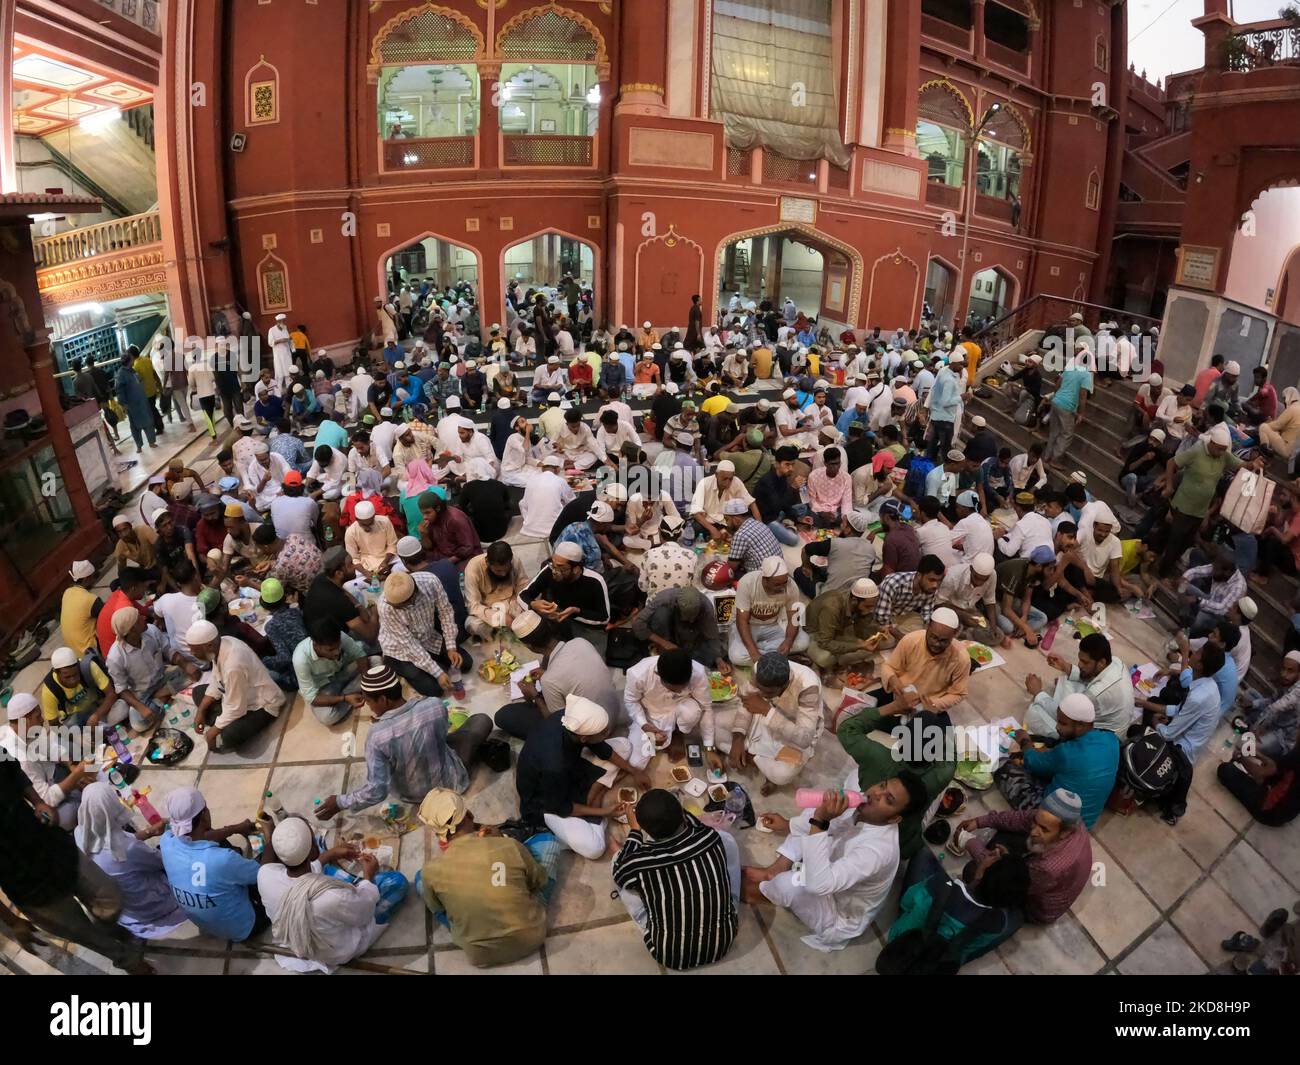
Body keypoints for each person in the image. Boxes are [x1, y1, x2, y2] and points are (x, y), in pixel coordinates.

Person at [0, 757, 150, 973]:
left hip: (52, 846)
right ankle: (129, 962)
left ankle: (109, 926)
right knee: (85, 934)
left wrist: (38, 801)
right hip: (29, 888)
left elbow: (14, 771)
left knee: (110, 897)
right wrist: (13, 922)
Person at [742, 777, 926, 951]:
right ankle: (774, 871)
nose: (876, 794)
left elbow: (818, 885)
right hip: (834, 867)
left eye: (888, 799)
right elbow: (829, 825)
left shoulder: (877, 853)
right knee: (819, 811)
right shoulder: (864, 807)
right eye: (882, 785)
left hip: (839, 911)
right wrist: (788, 825)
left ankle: (763, 892)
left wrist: (820, 821)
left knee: (790, 884)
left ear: (894, 818)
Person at [316, 665, 492, 821]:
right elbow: (441, 735)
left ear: (383, 700)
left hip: (413, 795)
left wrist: (339, 802)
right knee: (481, 720)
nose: (369, 706)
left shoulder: (376, 736)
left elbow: (377, 790)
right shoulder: (434, 705)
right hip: (450, 782)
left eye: (369, 701)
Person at [415, 789, 557, 967]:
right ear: (469, 815)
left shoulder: (431, 871)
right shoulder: (509, 845)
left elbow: (437, 907)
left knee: (420, 880)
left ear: (439, 835)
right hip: (531, 938)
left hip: (479, 955)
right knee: (548, 840)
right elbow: (539, 881)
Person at [258, 816, 407, 973]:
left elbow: (301, 872)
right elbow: (364, 913)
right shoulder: (332, 896)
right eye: (314, 842)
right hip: (337, 951)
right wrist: (368, 876)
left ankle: (343, 876)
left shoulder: (264, 876)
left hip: (296, 943)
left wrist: (330, 854)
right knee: (397, 882)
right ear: (313, 851)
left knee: (328, 869)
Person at [613, 789, 739, 970]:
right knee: (727, 840)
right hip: (723, 943)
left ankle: (647, 922)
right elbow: (697, 825)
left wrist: (634, 831)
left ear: (645, 830)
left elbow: (619, 874)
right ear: (682, 815)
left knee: (618, 865)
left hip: (670, 956)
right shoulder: (709, 837)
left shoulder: (639, 862)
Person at [514, 693, 651, 860]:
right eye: (603, 732)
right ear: (584, 737)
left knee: (623, 745)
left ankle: (595, 792)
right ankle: (596, 803)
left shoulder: (567, 718)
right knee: (595, 849)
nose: (608, 732)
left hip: (570, 770)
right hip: (544, 803)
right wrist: (604, 811)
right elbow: (561, 807)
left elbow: (602, 749)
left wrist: (634, 771)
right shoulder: (554, 764)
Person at [952, 788, 1093, 923]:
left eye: (1043, 829)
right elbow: (1021, 818)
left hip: (1035, 907)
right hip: (1037, 874)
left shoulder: (1048, 867)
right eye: (1036, 823)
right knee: (1005, 833)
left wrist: (969, 842)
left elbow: (1004, 881)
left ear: (1064, 833)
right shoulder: (1069, 821)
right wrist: (979, 821)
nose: (1034, 832)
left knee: (973, 871)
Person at [886, 843, 1028, 968]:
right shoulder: (997, 923)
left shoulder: (940, 885)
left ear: (981, 874)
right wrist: (1008, 868)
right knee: (1016, 919)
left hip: (902, 945)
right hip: (940, 961)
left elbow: (906, 902)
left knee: (923, 853)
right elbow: (968, 948)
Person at [75, 782, 187, 939]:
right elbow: (163, 862)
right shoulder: (127, 848)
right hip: (149, 905)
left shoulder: (80, 834)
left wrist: (149, 832)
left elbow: (114, 843)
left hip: (123, 907)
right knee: (181, 855)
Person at [159, 787, 268, 942]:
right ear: (204, 815)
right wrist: (270, 834)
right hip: (246, 927)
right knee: (272, 860)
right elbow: (263, 872)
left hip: (210, 927)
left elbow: (202, 836)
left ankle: (235, 874)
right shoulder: (222, 860)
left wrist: (235, 829)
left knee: (221, 846)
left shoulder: (166, 841)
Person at [998, 693, 1119, 829]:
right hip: (1086, 824)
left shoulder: (1068, 753)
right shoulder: (1111, 739)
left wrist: (1024, 741)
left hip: (1056, 826)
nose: (1057, 727)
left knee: (1003, 765)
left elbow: (1033, 763)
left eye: (1063, 723)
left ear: (1080, 725)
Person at [494, 609, 621, 738]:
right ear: (549, 627)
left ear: (529, 646)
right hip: (614, 712)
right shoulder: (580, 642)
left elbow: (555, 723)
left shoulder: (550, 680)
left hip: (593, 733)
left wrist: (535, 696)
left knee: (504, 715)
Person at [709, 652, 822, 792]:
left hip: (793, 733)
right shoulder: (760, 668)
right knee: (713, 722)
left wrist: (766, 710)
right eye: (759, 688)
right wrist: (738, 739)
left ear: (784, 686)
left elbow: (804, 738)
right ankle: (751, 754)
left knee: (782, 775)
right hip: (763, 715)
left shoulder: (808, 686)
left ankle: (750, 757)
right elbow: (747, 701)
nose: (760, 693)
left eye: (767, 692)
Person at [187, 619, 286, 752]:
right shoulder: (223, 642)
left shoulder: (233, 665)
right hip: (237, 697)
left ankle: (224, 722)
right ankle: (223, 720)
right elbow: (217, 680)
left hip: (263, 705)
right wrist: (201, 711)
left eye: (194, 650)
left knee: (229, 736)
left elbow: (236, 708)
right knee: (198, 692)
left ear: (209, 646)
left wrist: (212, 733)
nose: (191, 653)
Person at [105, 607, 202, 732]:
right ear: (132, 629)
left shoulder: (151, 630)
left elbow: (169, 651)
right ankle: (165, 695)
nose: (144, 618)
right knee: (139, 724)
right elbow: (122, 689)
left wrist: (186, 665)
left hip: (162, 677)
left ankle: (161, 696)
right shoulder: (115, 657)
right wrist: (141, 708)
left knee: (193, 671)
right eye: (139, 618)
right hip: (142, 692)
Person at [378, 570, 468, 699]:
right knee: (436, 689)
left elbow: (446, 612)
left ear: (413, 597)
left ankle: (430, 663)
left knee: (465, 664)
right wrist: (437, 673)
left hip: (428, 637)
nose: (394, 607)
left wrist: (451, 647)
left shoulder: (430, 581)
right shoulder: (385, 607)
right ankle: (395, 664)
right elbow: (409, 645)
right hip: (399, 650)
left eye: (399, 606)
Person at [1024, 632, 1135, 738]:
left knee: (1035, 712)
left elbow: (1062, 716)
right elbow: (1092, 676)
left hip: (1101, 737)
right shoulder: (1115, 662)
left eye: (1085, 662)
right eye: (1080, 660)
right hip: (1108, 715)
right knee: (1068, 681)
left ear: (1101, 662)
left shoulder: (1096, 693)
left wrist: (1038, 692)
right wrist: (1065, 667)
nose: (1079, 665)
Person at [871, 608, 970, 712]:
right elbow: (888, 666)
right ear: (927, 628)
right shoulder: (911, 640)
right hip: (900, 695)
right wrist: (895, 682)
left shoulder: (961, 658)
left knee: (937, 728)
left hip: (929, 706)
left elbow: (958, 693)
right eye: (933, 637)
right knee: (863, 711)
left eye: (943, 641)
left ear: (953, 636)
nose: (936, 644)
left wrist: (931, 705)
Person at [623, 650, 711, 759]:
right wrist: (644, 725)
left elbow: (706, 708)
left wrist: (709, 747)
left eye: (683, 687)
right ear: (658, 675)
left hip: (680, 707)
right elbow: (630, 701)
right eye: (673, 689)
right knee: (637, 762)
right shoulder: (638, 674)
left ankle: (678, 734)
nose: (679, 692)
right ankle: (659, 734)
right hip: (650, 712)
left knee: (692, 712)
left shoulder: (698, 673)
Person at [727, 556, 810, 668]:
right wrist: (753, 652)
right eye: (777, 584)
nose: (782, 587)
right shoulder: (747, 583)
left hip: (774, 625)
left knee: (803, 641)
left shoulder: (791, 586)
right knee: (736, 656)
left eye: (784, 582)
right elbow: (742, 620)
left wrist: (788, 641)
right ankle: (777, 655)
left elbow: (793, 618)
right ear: (765, 579)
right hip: (750, 626)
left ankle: (765, 653)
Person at [519, 542, 612, 638]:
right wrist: (533, 604)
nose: (554, 572)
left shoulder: (595, 581)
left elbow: (604, 619)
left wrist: (576, 611)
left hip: (585, 624)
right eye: (553, 565)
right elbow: (522, 595)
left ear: (575, 569)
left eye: (560, 568)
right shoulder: (549, 570)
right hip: (557, 619)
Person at [632, 585, 727, 675]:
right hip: (666, 630)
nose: (691, 620)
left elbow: (712, 635)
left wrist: (718, 660)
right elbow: (638, 624)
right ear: (677, 605)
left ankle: (683, 650)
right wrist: (664, 643)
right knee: (661, 614)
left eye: (694, 616)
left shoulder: (706, 606)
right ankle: (660, 649)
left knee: (703, 661)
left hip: (690, 635)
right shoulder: (664, 599)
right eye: (688, 616)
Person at [292, 618, 367, 725]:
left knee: (375, 660)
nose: (337, 652)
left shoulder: (339, 636)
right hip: (324, 688)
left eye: (338, 647)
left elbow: (359, 655)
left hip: (343, 672)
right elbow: (312, 697)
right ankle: (350, 695)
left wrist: (366, 682)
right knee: (327, 717)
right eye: (330, 650)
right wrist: (344, 698)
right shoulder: (300, 659)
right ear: (316, 645)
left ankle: (353, 692)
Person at [806, 578, 882, 677]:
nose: (870, 610)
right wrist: (859, 645)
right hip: (815, 631)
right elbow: (825, 642)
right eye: (867, 607)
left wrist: (878, 629)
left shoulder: (857, 602)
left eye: (872, 606)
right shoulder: (831, 608)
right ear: (854, 600)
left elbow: (861, 630)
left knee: (873, 641)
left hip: (838, 627)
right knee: (825, 659)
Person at [1235, 650, 1300, 759]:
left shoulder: (1297, 692)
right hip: (1273, 720)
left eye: (1290, 671)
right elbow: (1271, 700)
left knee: (1242, 744)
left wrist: (1256, 729)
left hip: (1281, 736)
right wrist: (1252, 704)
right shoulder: (1287, 682)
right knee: (1249, 693)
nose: (1284, 674)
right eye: (1283, 669)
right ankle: (1252, 721)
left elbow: (1274, 708)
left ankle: (1254, 727)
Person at [936, 553, 1004, 646]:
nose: (978, 583)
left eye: (983, 580)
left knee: (998, 635)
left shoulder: (992, 575)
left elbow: (990, 600)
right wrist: (963, 615)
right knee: (941, 634)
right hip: (950, 610)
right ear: (971, 569)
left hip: (971, 611)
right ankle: (963, 633)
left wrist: (993, 625)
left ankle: (963, 633)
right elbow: (939, 603)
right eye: (976, 577)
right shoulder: (953, 576)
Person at [873, 555, 946, 642]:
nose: (935, 585)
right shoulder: (893, 583)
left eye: (939, 581)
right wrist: (903, 639)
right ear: (919, 575)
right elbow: (881, 618)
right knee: (884, 641)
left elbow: (927, 615)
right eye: (931, 580)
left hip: (904, 616)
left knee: (923, 635)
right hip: (881, 617)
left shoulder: (931, 589)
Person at [463, 541, 527, 639]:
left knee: (530, 610)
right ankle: (498, 636)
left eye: (506, 569)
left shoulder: (515, 561)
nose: (503, 574)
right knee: (472, 624)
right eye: (498, 570)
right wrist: (500, 618)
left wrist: (521, 608)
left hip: (511, 603)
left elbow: (523, 588)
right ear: (488, 562)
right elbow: (473, 606)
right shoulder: (473, 568)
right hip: (487, 609)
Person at [1044, 342, 1093, 467]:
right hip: (1067, 406)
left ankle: (1046, 456)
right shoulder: (1087, 375)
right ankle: (1055, 460)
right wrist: (1081, 414)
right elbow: (1083, 397)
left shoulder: (1069, 369)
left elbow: (1057, 385)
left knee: (1054, 431)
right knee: (1066, 434)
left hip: (1056, 401)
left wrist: (1055, 396)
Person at [1178, 550, 1246, 636]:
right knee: (1185, 586)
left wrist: (1198, 600)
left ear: (1227, 572)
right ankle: (1184, 623)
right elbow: (1197, 571)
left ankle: (1188, 637)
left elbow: (1222, 609)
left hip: (1222, 617)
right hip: (1210, 600)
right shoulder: (1219, 566)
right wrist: (1184, 578)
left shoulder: (1238, 586)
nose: (1212, 571)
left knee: (1201, 617)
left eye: (1216, 570)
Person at [724, 497, 784, 576]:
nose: (726, 523)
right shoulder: (758, 523)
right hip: (781, 570)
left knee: (725, 573)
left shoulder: (740, 535)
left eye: (727, 519)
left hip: (763, 577)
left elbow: (731, 567)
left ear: (736, 520)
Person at [60, 560, 103, 657]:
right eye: (94, 577)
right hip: (91, 651)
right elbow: (109, 614)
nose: (94, 580)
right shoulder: (90, 600)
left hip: (75, 653)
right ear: (87, 578)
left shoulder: (67, 593)